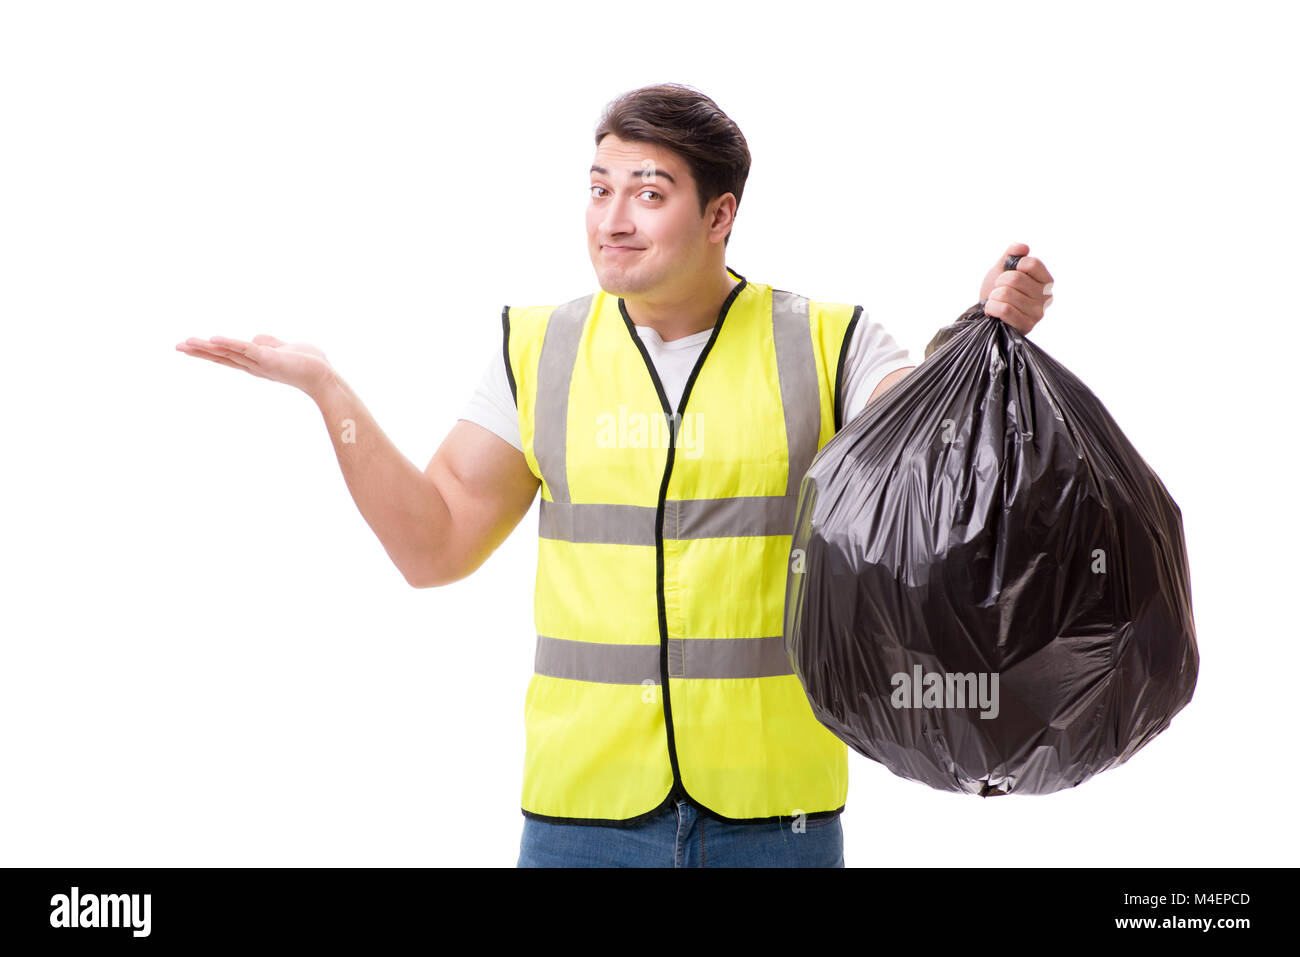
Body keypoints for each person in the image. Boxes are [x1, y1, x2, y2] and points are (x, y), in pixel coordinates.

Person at [176, 82, 1054, 868]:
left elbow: (932, 439)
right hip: (580, 819)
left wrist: (979, 333)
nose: (613, 218)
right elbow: (432, 545)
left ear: (720, 215)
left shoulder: (828, 341)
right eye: (598, 189)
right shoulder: (539, 349)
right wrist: (329, 392)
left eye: (648, 192)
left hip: (773, 816)